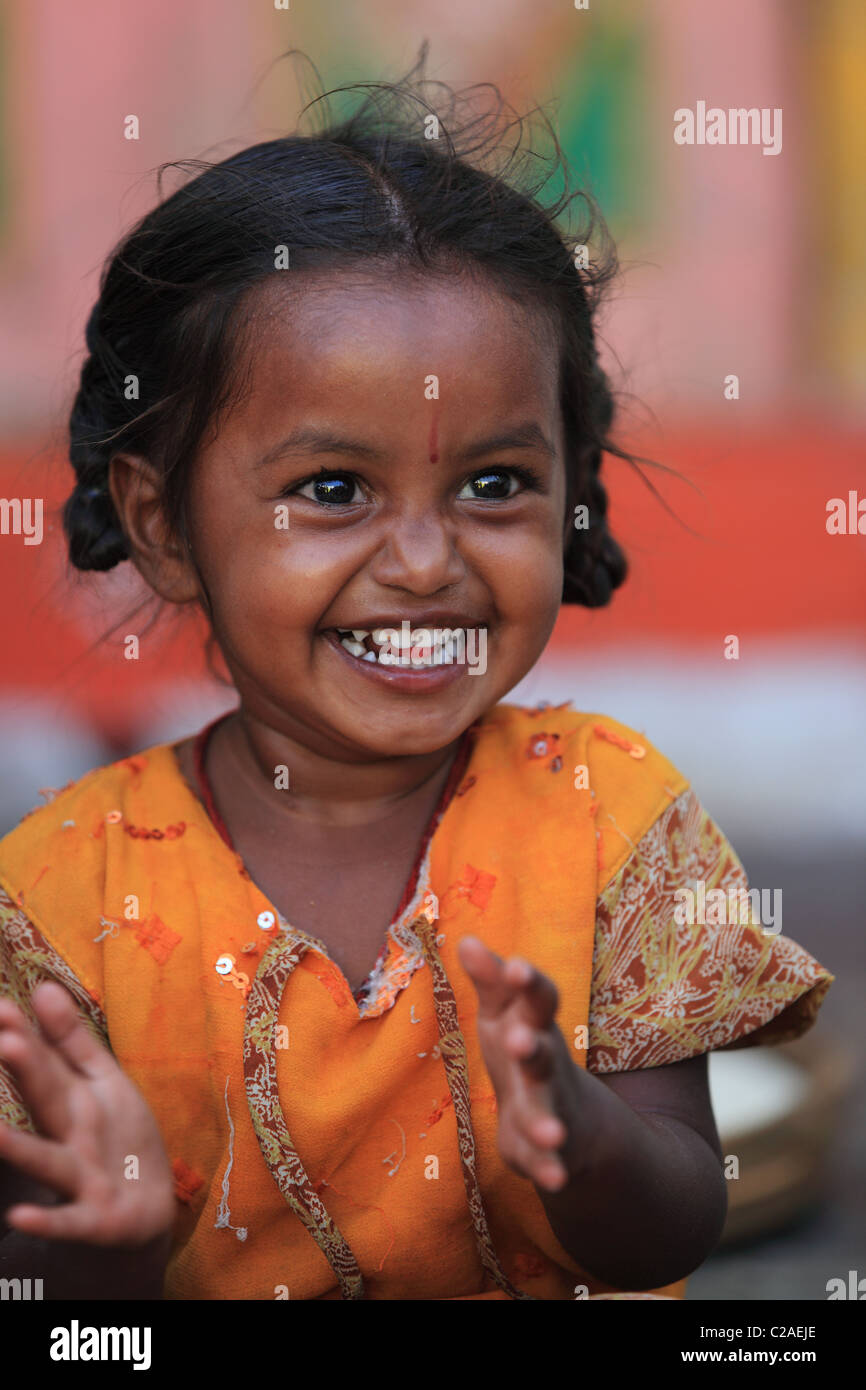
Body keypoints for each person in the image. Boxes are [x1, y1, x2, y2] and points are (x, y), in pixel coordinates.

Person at [0, 50, 832, 1301]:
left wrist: (589, 1145)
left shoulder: (611, 815)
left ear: (571, 492)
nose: (427, 559)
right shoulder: (62, 897)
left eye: (494, 483)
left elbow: (673, 1226)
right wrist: (103, 1260)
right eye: (332, 491)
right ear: (165, 528)